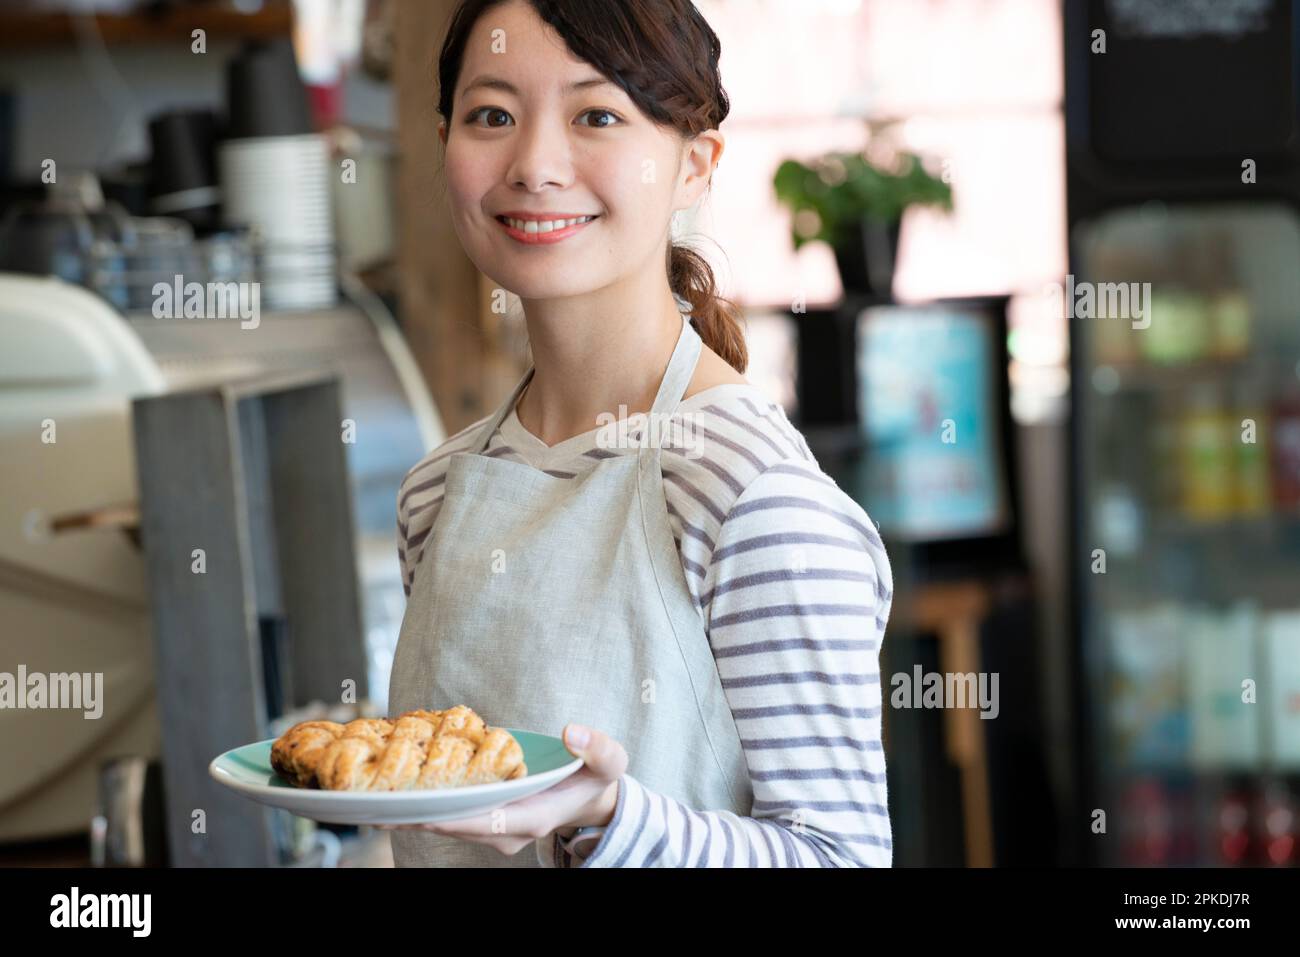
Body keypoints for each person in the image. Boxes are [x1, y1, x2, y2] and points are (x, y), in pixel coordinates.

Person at [384, 0, 894, 867]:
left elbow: (844, 856)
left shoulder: (746, 495)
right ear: (445, 145)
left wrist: (617, 824)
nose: (536, 164)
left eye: (597, 116)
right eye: (492, 116)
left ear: (695, 166)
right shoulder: (436, 493)